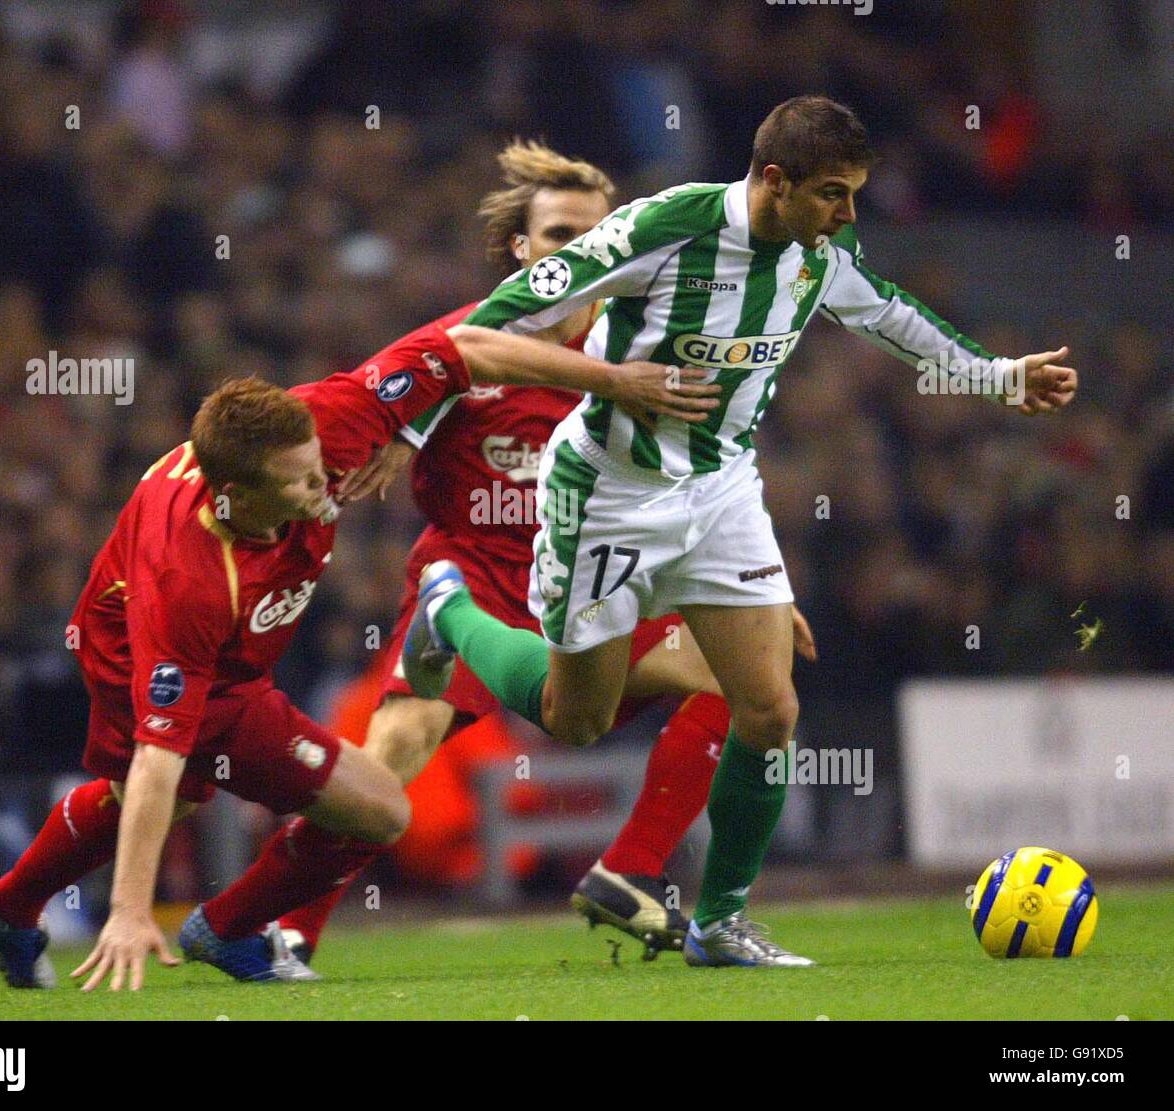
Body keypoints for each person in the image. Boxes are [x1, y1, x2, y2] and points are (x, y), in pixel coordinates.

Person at [402, 96, 1078, 968]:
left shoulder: (818, 255)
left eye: (853, 196)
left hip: (721, 491)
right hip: (608, 489)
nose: (846, 214)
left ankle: (719, 922)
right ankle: (446, 606)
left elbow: (892, 316)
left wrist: (998, 376)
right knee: (577, 718)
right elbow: (491, 324)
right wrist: (611, 379)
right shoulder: (663, 227)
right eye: (833, 194)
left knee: (768, 707)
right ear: (772, 179)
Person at [0, 291, 709, 991]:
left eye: (321, 467)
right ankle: (66, 911)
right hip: (133, 646)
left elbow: (471, 344)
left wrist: (607, 380)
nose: (326, 489)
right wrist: (128, 909)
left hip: (241, 666)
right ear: (236, 496)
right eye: (302, 484)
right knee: (174, 790)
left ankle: (141, 918)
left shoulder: (332, 421)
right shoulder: (185, 577)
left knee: (367, 808)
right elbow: (158, 753)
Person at [269, 140, 816, 966]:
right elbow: (382, 391)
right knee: (388, 761)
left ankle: (628, 870)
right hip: (479, 584)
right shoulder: (475, 339)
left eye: (598, 235)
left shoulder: (639, 339)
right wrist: (391, 430)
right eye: (560, 235)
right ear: (522, 251)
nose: (583, 252)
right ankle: (285, 931)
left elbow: (700, 476)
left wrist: (752, 593)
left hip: (601, 586)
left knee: (742, 682)